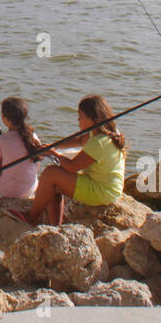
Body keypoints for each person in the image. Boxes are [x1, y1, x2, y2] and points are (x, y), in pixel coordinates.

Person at [10, 95, 126, 226]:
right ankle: (56, 226)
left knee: (50, 173)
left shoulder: (99, 143)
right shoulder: (106, 132)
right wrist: (55, 146)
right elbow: (81, 140)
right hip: (109, 186)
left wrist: (53, 153)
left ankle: (32, 216)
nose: (78, 120)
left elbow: (71, 167)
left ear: (93, 118)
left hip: (102, 191)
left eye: (80, 116)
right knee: (53, 184)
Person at [0, 97, 52, 220]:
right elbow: (36, 167)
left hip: (8, 192)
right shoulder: (32, 136)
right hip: (30, 189)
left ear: (5, 118)